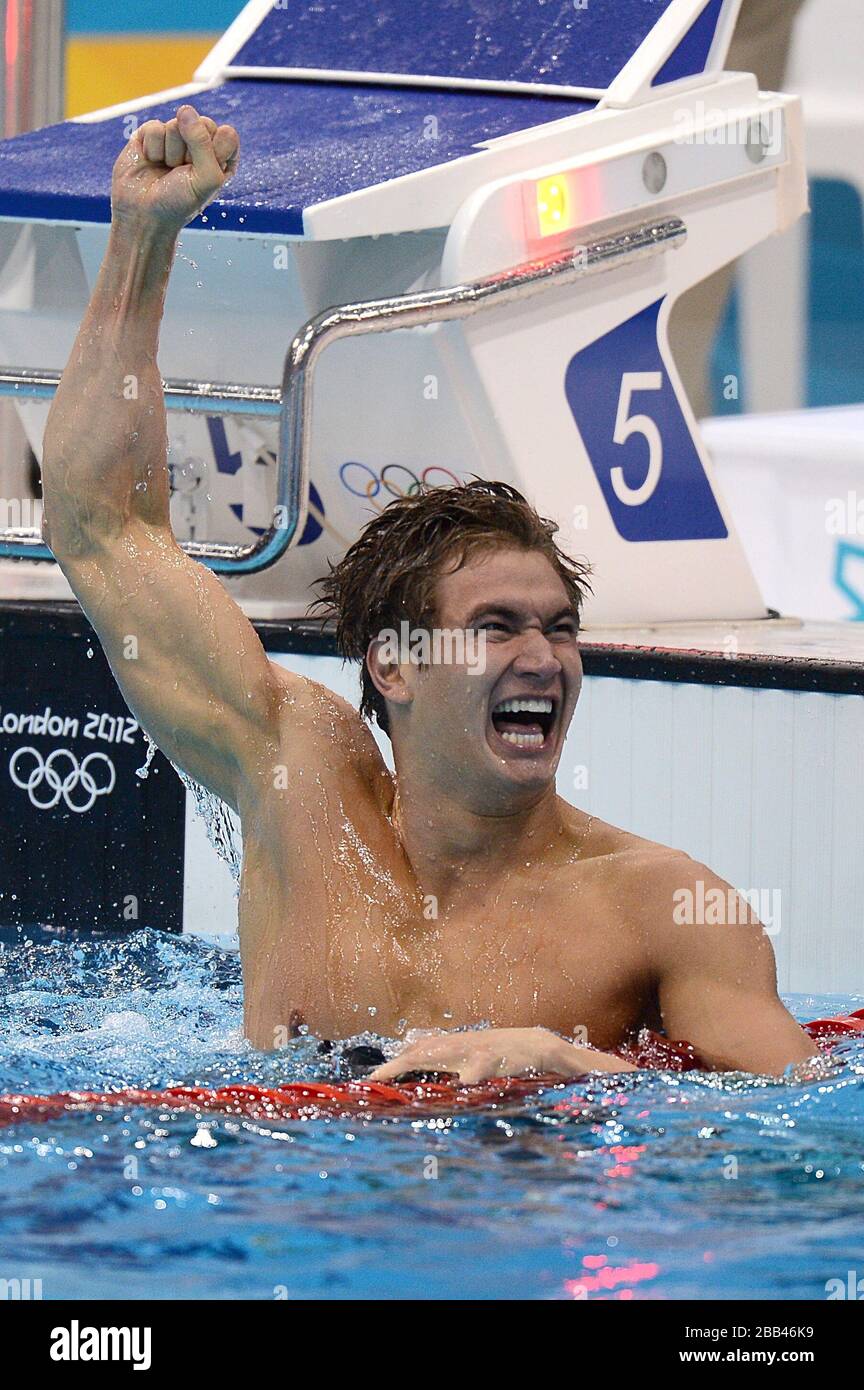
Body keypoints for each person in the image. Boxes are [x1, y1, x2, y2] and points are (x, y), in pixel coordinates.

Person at [40, 105, 821, 1084]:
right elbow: (103, 527)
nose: (544, 659)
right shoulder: (295, 779)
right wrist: (141, 239)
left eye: (559, 628)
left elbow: (794, 1118)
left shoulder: (657, 906)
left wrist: (569, 1065)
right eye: (496, 628)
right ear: (394, 664)